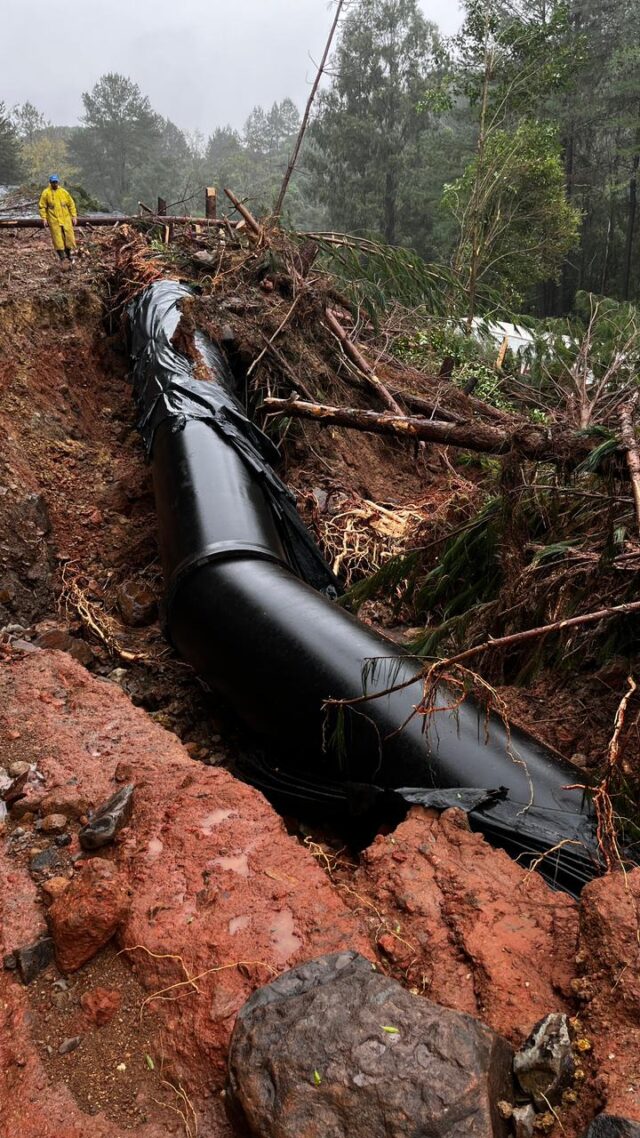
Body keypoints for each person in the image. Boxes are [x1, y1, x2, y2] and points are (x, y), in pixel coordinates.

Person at [38, 175, 78, 266]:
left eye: (56, 182)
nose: (55, 184)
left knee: (68, 237)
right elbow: (42, 207)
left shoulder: (64, 192)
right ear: (50, 182)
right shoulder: (46, 193)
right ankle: (62, 257)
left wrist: (74, 216)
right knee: (57, 238)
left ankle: (68, 255)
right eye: (53, 182)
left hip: (66, 219)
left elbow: (71, 204)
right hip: (54, 220)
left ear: (58, 182)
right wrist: (44, 218)